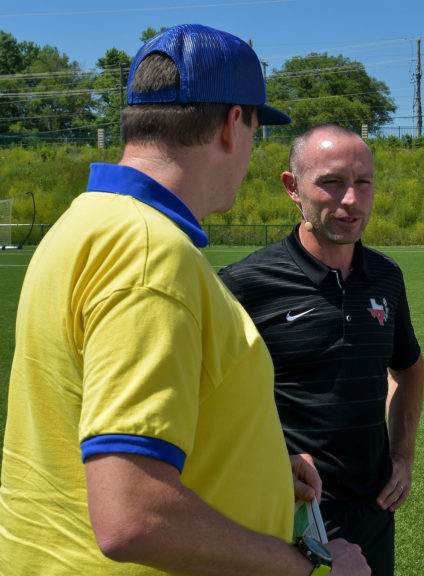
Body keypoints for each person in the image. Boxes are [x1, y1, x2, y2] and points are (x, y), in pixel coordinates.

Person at [0, 24, 368, 576]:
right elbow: (134, 517)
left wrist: (261, 465)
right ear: (231, 123)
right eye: (255, 130)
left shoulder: (84, 222)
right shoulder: (150, 255)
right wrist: (303, 567)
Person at [219, 123, 424, 576]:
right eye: (331, 183)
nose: (350, 200)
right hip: (288, 510)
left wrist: (402, 457)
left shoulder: (386, 278)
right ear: (293, 188)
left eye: (363, 183)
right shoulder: (244, 286)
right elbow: (209, 407)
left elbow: (408, 368)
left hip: (374, 508)